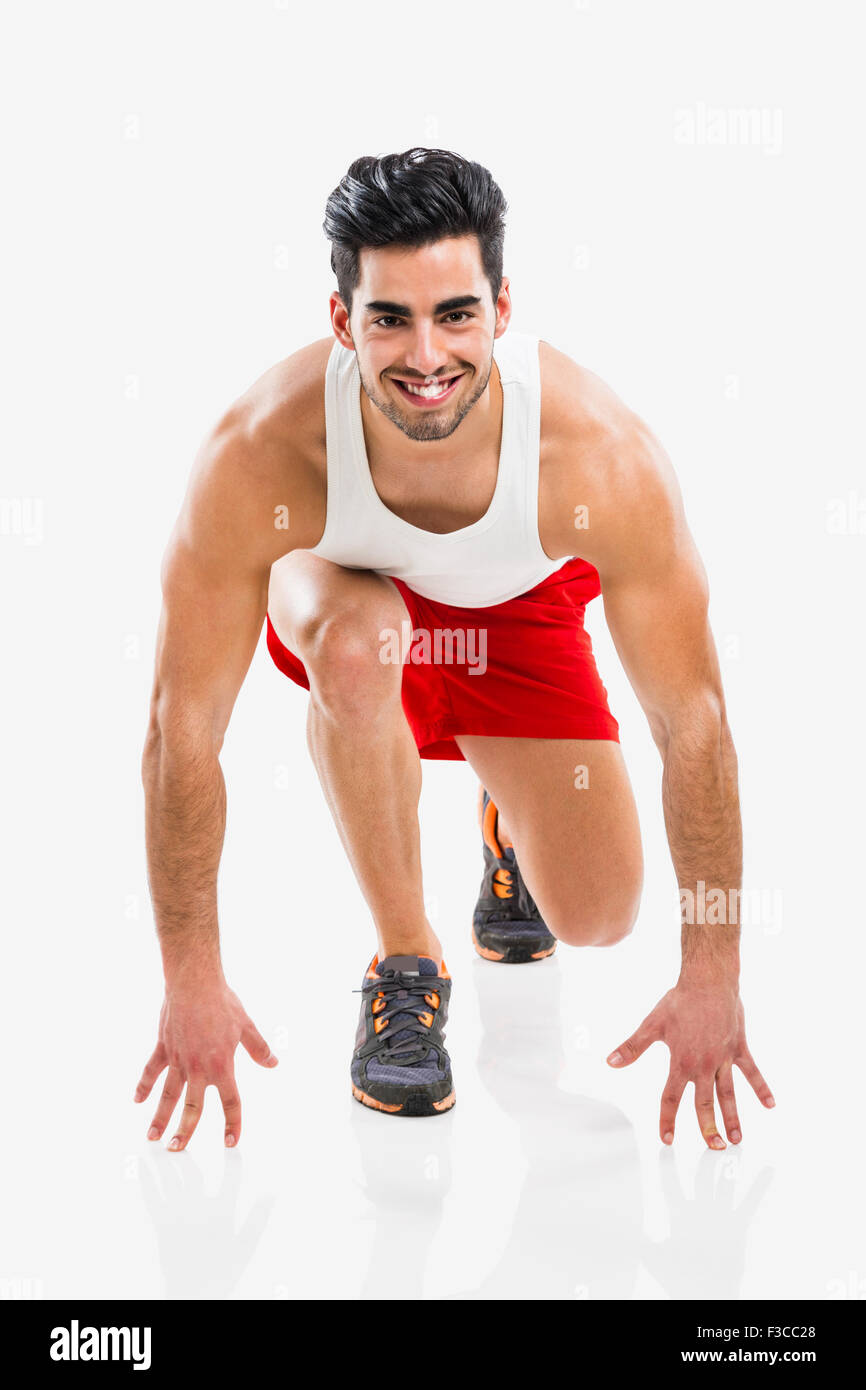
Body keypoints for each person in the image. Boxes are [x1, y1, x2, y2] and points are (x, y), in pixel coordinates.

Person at [135, 147, 774, 1149]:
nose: (425, 356)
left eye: (455, 314)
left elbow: (693, 724)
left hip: (512, 609)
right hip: (349, 593)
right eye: (389, 316)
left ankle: (505, 826)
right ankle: (405, 960)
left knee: (599, 914)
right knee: (358, 647)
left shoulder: (600, 458)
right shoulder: (258, 450)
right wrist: (190, 976)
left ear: (502, 308)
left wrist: (711, 973)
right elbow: (180, 731)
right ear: (342, 319)